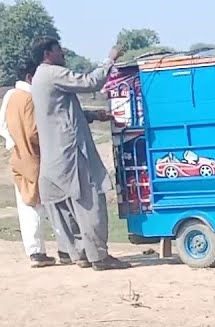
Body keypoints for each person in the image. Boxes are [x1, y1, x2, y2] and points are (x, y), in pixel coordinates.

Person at [29, 36, 131, 271]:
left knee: (64, 205)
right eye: (58, 49)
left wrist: (93, 115)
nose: (63, 53)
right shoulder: (52, 73)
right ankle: (99, 256)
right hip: (71, 152)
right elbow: (90, 82)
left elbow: (60, 113)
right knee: (90, 200)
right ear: (47, 53)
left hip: (53, 156)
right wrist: (110, 59)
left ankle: (80, 253)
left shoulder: (39, 77)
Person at [0, 62, 70, 268]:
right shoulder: (31, 97)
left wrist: (15, 143)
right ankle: (63, 250)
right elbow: (33, 132)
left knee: (28, 205)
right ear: (31, 77)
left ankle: (36, 252)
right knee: (52, 204)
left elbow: (1, 126)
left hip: (19, 156)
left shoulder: (10, 95)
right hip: (38, 157)